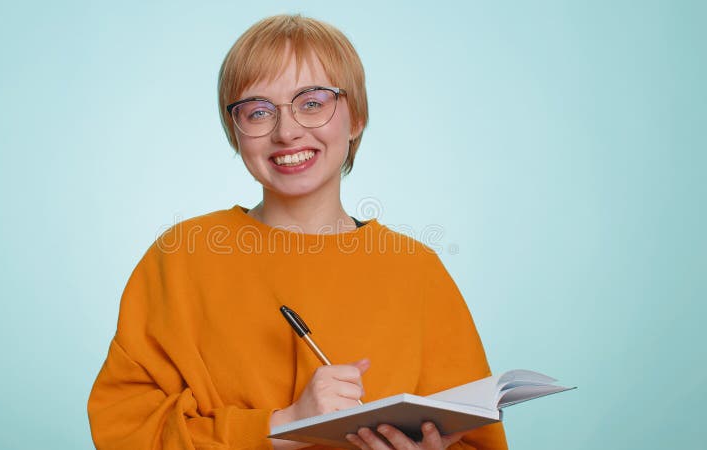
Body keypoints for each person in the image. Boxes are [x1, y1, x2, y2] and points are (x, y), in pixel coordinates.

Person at [88, 14, 508, 450]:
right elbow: (125, 429)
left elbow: (475, 439)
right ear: (236, 132)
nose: (286, 132)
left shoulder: (417, 270)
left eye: (312, 103)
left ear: (357, 118)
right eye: (258, 111)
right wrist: (284, 426)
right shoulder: (180, 259)